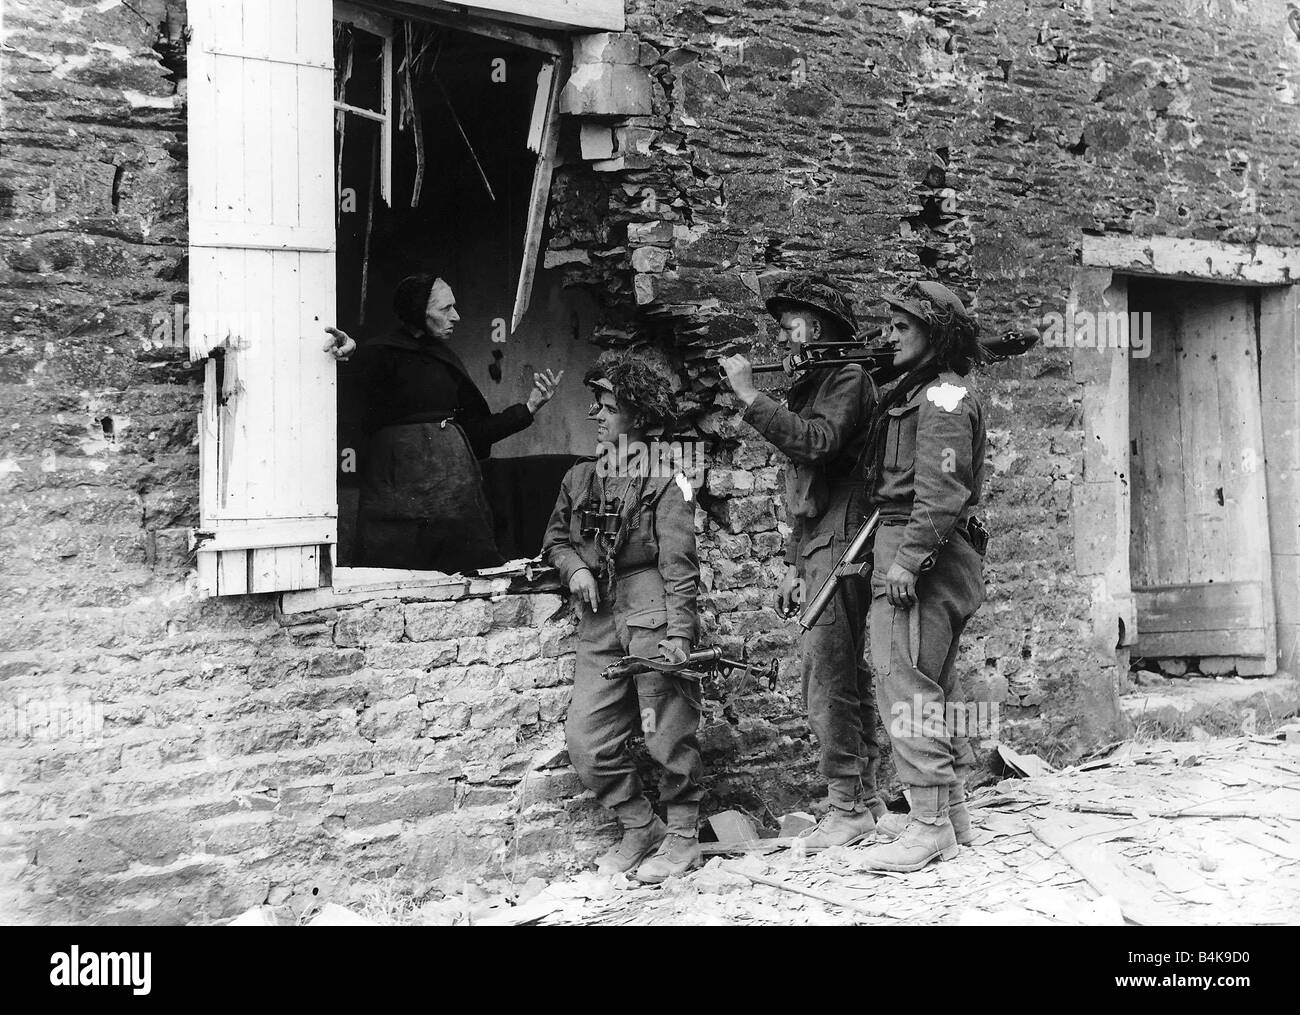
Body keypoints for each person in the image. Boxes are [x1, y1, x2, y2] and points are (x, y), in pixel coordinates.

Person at [719, 275, 885, 848]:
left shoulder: (848, 379)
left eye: (790, 327)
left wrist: (749, 397)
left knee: (827, 671)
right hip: (821, 543)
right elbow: (802, 488)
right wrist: (793, 562)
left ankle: (847, 806)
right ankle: (866, 795)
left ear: (816, 328)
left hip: (847, 543)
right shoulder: (816, 382)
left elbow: (816, 444)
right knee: (843, 670)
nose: (784, 339)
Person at [542, 352, 703, 884]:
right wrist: (574, 571)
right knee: (586, 741)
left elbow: (680, 567)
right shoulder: (580, 477)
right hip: (599, 619)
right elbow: (557, 540)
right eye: (596, 405)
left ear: (636, 414)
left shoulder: (666, 478)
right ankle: (641, 826)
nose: (597, 415)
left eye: (608, 407)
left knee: (665, 732)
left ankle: (682, 838)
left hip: (651, 615)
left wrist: (679, 635)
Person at [855, 280, 988, 873]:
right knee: (929, 682)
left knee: (901, 680)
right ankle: (952, 812)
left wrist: (907, 560)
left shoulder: (942, 399)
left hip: (921, 550)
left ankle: (929, 824)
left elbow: (942, 491)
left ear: (934, 334)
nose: (890, 335)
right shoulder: (925, 393)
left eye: (902, 325)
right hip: (925, 547)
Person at [324, 274, 562, 574]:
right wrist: (352, 356)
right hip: (397, 495)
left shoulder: (445, 362)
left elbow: (474, 433)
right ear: (418, 312)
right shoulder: (380, 354)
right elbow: (353, 399)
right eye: (445, 309)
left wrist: (528, 408)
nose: (456, 316)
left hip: (455, 495)